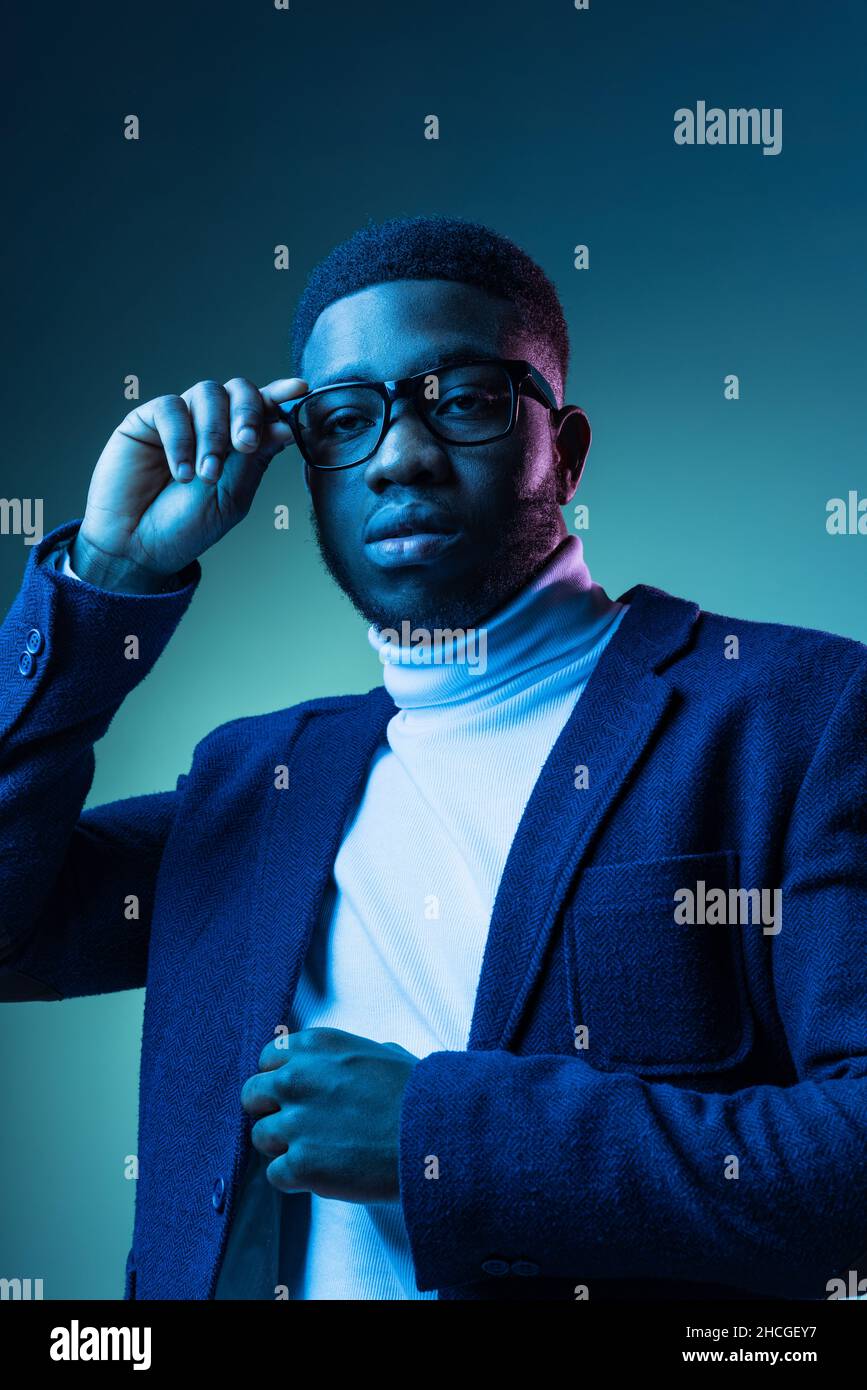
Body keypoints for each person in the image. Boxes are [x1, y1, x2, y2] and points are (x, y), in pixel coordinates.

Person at [1, 215, 865, 1302]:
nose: (401, 455)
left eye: (461, 400)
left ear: (568, 446)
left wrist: (440, 1137)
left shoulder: (798, 715)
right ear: (307, 469)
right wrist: (104, 579)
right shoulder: (259, 786)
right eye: (344, 419)